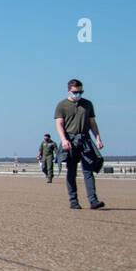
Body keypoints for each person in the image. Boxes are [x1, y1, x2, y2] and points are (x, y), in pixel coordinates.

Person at [54, 78, 105, 210]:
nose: (78, 94)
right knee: (72, 171)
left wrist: (98, 138)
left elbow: (92, 123)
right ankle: (74, 201)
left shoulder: (87, 104)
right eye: (75, 92)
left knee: (88, 171)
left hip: (85, 140)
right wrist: (64, 140)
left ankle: (93, 201)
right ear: (69, 90)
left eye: (80, 91)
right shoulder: (62, 105)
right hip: (70, 141)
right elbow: (59, 124)